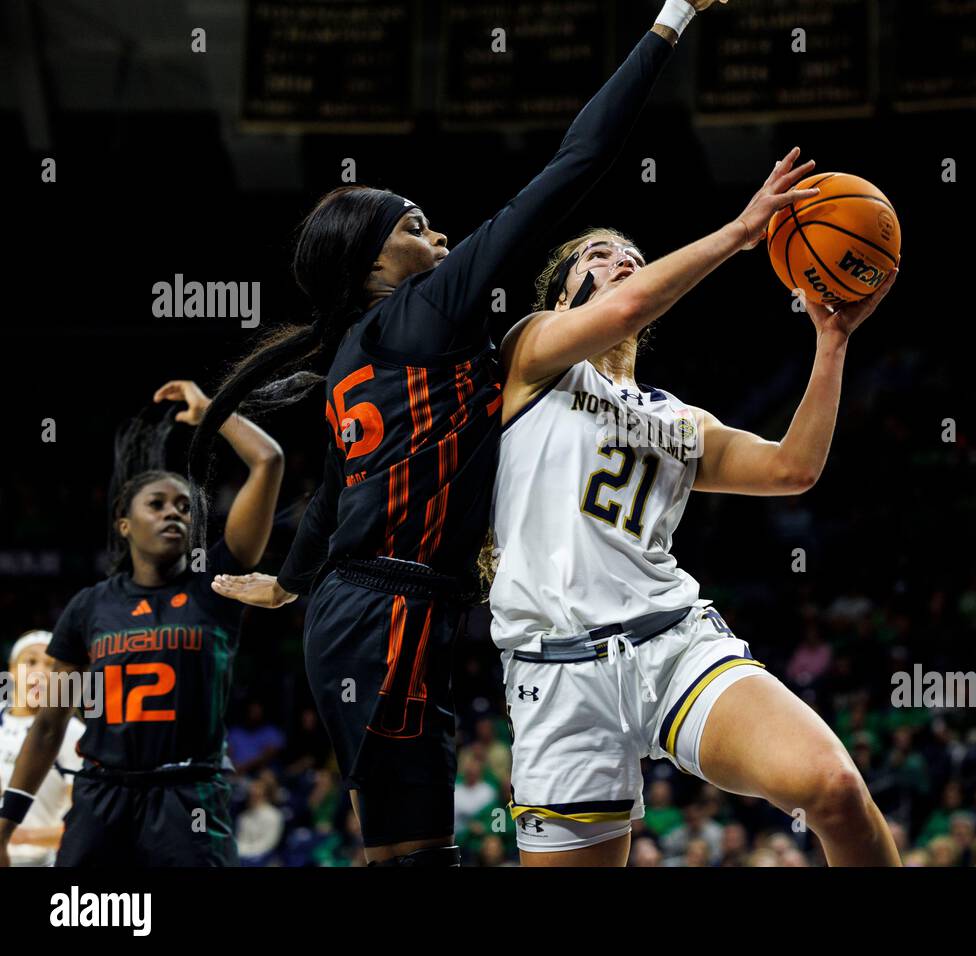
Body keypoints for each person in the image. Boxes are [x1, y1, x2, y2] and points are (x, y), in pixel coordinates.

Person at [201, 0, 729, 867]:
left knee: (411, 854)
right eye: (412, 225)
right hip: (388, 611)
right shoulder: (426, 312)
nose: (437, 232)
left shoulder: (354, 356)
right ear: (373, 264)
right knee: (415, 860)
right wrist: (668, 21)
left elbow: (335, 489)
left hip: (367, 608)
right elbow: (580, 160)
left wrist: (291, 580)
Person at [485, 149, 902, 865]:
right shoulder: (533, 355)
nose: (622, 263)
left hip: (673, 645)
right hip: (554, 673)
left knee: (834, 788)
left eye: (632, 256)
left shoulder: (681, 420)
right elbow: (631, 305)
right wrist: (743, 231)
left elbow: (793, 468)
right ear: (559, 300)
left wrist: (831, 344)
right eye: (599, 255)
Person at [0, 381, 283, 866]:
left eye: (184, 506)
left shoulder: (215, 585)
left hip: (188, 796)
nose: (174, 511)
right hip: (101, 796)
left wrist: (213, 412)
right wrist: (5, 826)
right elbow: (48, 727)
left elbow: (268, 461)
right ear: (123, 522)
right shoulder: (89, 608)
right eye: (157, 503)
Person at [0, 631, 84, 866]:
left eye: (52, 665)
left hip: (39, 861)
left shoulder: (72, 732)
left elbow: (84, 825)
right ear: (12, 670)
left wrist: (18, 836)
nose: (41, 672)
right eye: (31, 661)